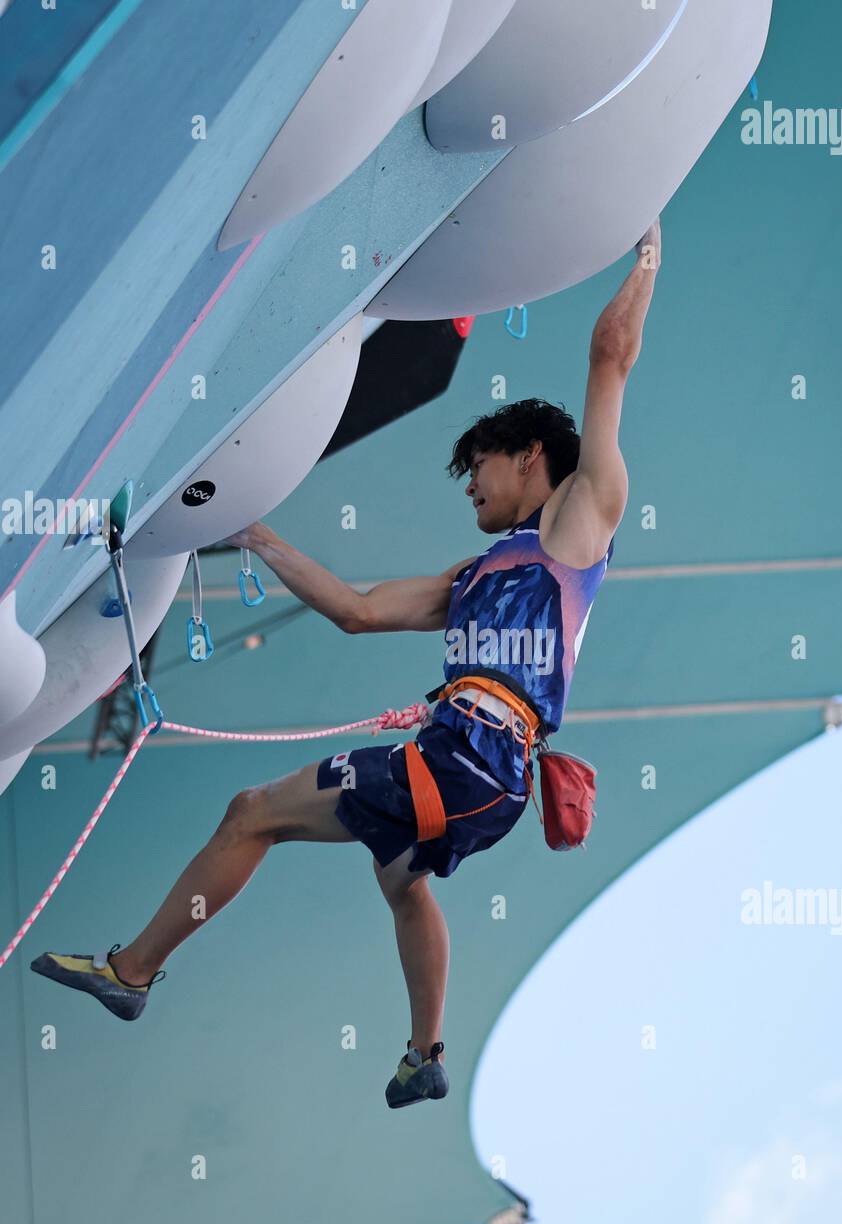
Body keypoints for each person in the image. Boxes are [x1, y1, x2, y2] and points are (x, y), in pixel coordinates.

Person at [32, 219, 661, 1109]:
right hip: (479, 778)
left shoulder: (576, 526)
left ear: (530, 458)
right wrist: (253, 532)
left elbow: (609, 357)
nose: (469, 484)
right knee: (401, 881)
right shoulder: (475, 577)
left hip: (470, 760)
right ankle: (425, 1053)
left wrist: (645, 254)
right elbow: (355, 611)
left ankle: (131, 974)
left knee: (251, 813)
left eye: (479, 465)